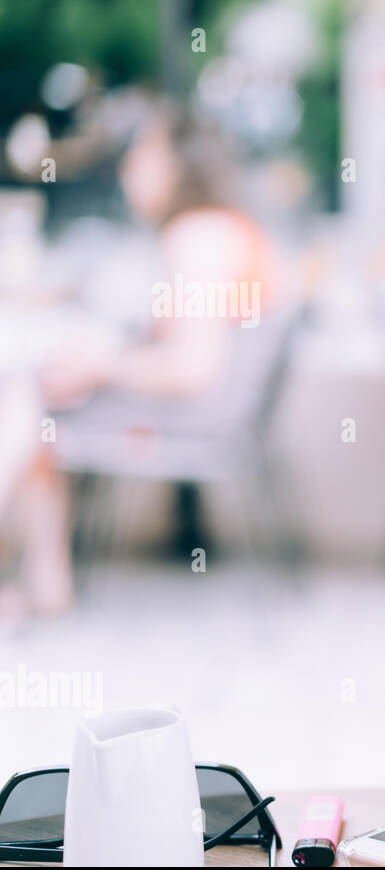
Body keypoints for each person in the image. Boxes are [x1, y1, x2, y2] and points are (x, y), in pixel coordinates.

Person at [0, 108, 276, 620]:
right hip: (217, 408)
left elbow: (193, 371)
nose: (129, 168)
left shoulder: (197, 237)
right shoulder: (221, 230)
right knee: (37, 390)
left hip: (200, 416)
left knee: (26, 394)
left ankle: (44, 582)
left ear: (179, 165)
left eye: (142, 155)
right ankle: (45, 584)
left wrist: (103, 363)